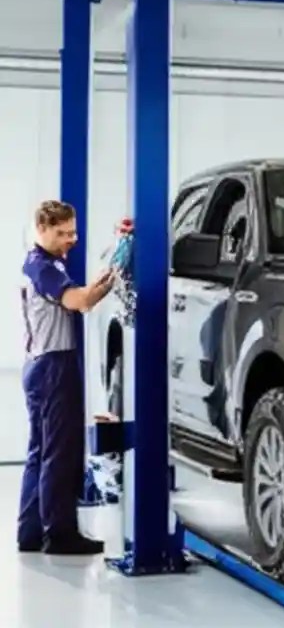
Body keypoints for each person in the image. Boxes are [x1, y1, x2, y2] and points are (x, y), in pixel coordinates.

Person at [18, 200, 115, 555]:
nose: (70, 239)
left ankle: (31, 533)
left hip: (40, 365)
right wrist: (108, 280)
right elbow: (78, 301)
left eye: (73, 232)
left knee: (40, 451)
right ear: (42, 229)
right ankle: (60, 535)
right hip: (53, 367)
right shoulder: (44, 267)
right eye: (62, 233)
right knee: (60, 452)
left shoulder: (44, 263)